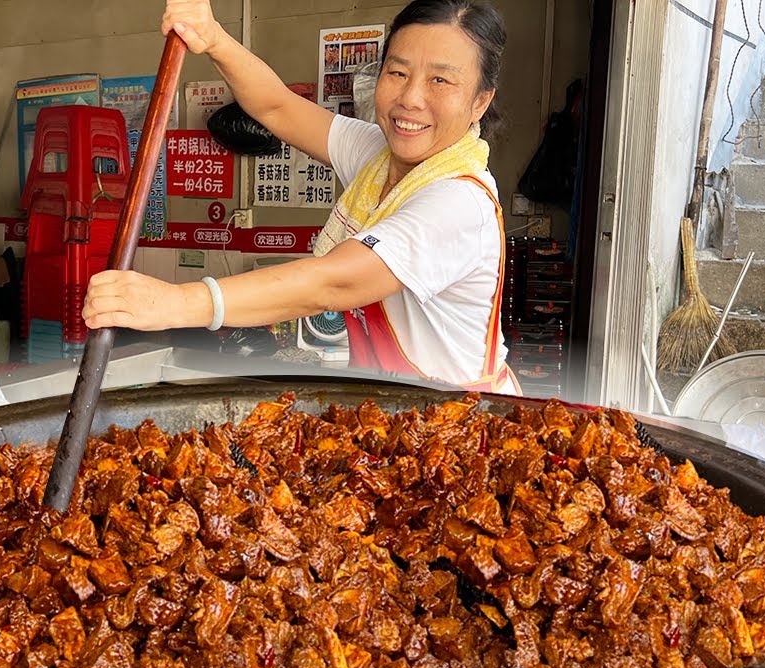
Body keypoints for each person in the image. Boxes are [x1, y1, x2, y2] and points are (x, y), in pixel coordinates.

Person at [83, 0, 519, 393]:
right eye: (398, 72)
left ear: (480, 102)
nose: (411, 98)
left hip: (462, 420)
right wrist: (213, 37)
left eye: (440, 80)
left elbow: (334, 281)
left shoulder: (459, 202)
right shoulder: (377, 156)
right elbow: (277, 107)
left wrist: (175, 303)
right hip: (394, 404)